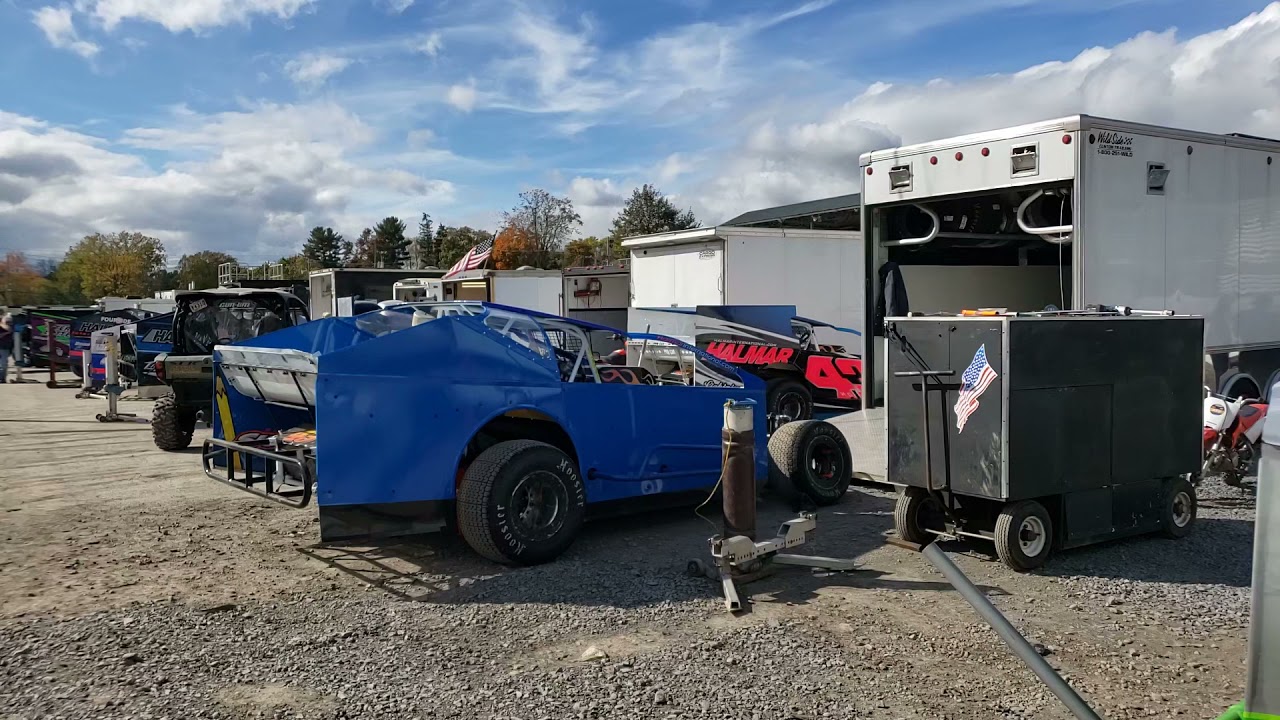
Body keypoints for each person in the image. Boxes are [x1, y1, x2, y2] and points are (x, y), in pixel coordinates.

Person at [0, 313, 13, 384]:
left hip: (5, 347)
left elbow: (10, 330)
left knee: (3, 364)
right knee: (3, 364)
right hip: (3, 347)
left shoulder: (7, 327)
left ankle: (2, 378)